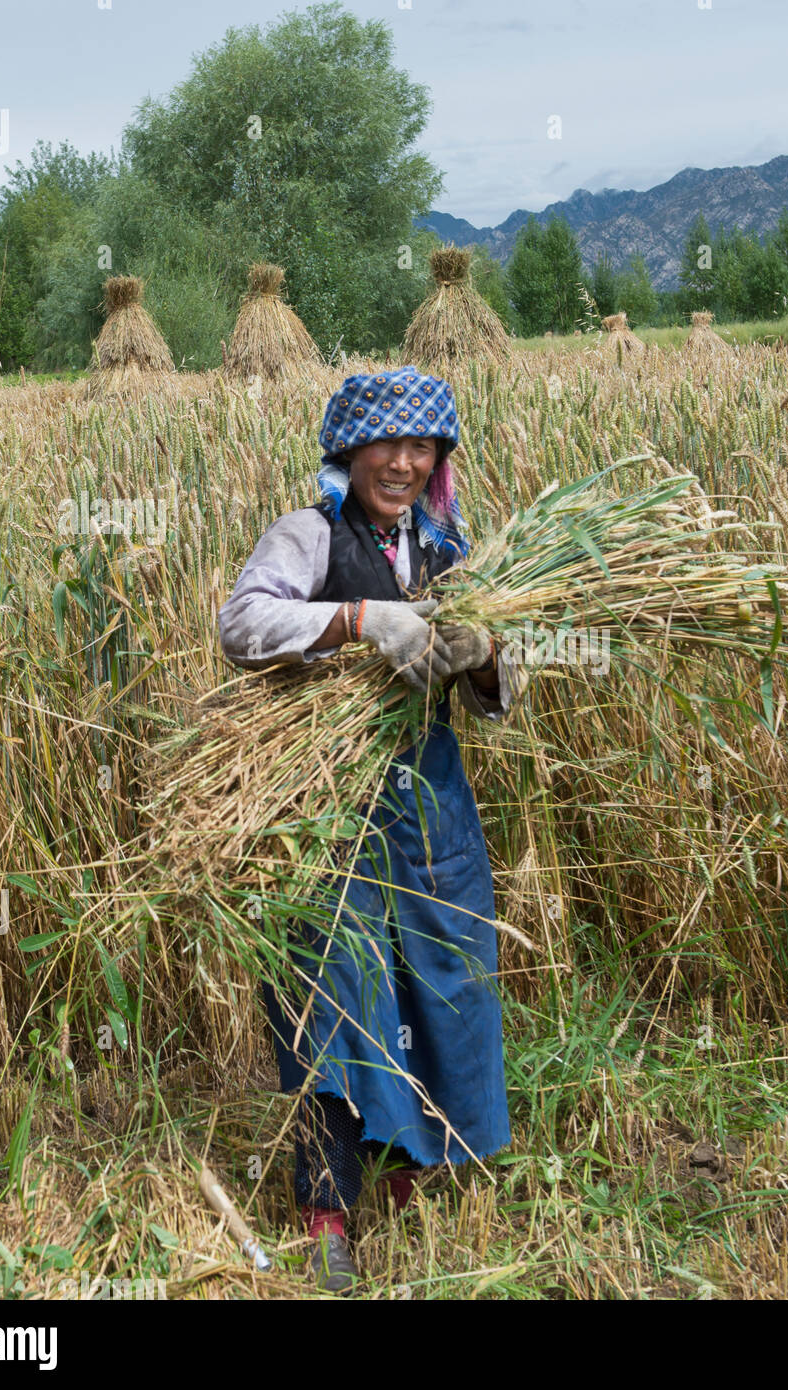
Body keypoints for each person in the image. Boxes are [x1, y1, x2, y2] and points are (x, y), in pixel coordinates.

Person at [218, 368, 518, 1292]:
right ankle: (326, 1213)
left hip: (428, 806)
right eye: (385, 444)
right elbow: (241, 623)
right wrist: (358, 619)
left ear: (438, 459)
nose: (402, 461)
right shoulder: (309, 534)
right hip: (328, 811)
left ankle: (411, 1173)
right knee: (332, 1000)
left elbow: (506, 693)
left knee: (442, 982)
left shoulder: (449, 551)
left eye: (421, 445)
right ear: (349, 451)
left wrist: (485, 655)